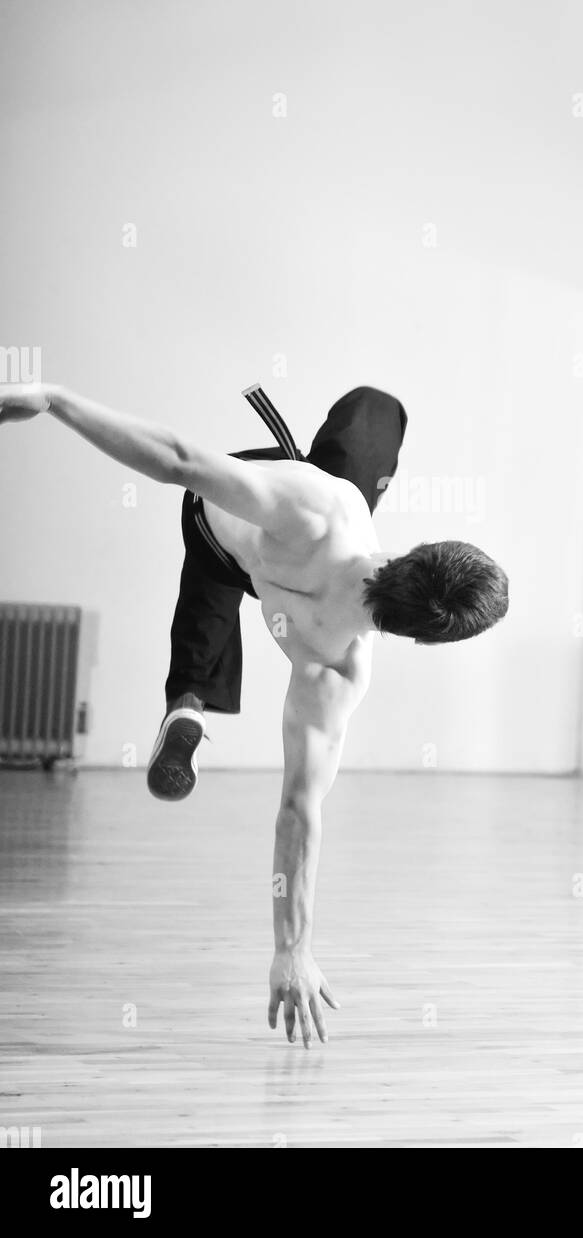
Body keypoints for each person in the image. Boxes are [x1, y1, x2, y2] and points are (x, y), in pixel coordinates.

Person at [0, 380, 509, 1047]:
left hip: (233, 515)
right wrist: (290, 948)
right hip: (255, 566)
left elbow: (180, 460)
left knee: (368, 419)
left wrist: (57, 401)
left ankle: (189, 698)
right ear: (418, 637)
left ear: (422, 548)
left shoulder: (324, 509)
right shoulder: (339, 667)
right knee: (219, 594)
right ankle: (188, 704)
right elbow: (300, 813)